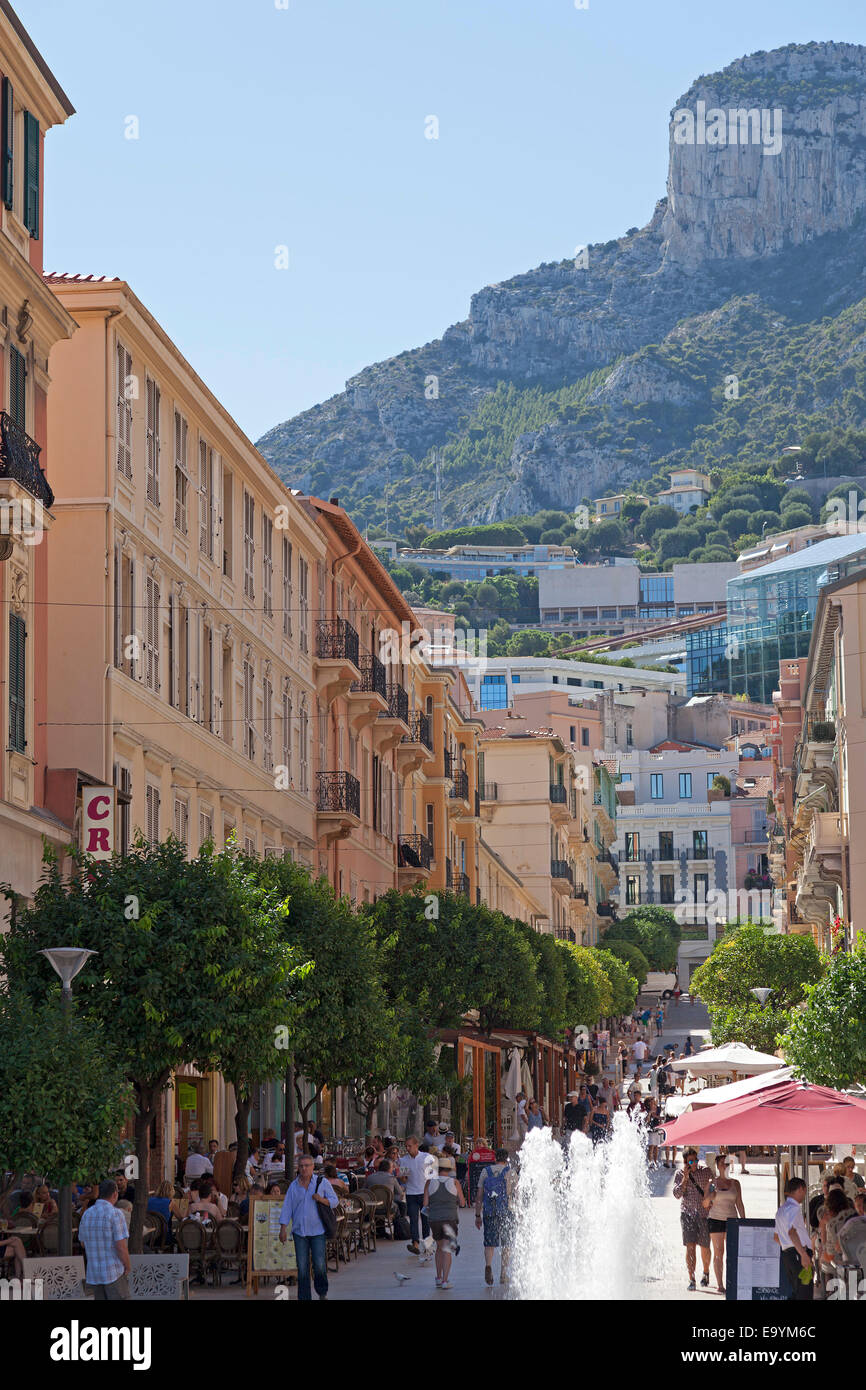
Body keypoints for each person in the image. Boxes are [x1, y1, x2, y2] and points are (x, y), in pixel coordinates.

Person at [278, 1153, 339, 1301]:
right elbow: (287, 1208)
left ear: (313, 1167)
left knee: (319, 1265)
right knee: (302, 1267)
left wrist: (321, 1199)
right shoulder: (293, 1186)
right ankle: (304, 1297)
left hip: (318, 1231)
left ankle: (322, 1292)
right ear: (298, 1168)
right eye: (301, 1166)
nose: (304, 1168)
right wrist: (283, 1228)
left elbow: (335, 1201)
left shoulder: (322, 1182)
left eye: (307, 1165)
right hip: (300, 1232)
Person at [78, 1178, 131, 1300]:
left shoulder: (87, 1213)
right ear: (115, 1194)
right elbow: (121, 1247)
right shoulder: (116, 1214)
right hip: (114, 1271)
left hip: (95, 1272)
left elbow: (82, 1243)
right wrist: (127, 1266)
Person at [424, 1153, 466, 1290]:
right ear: (450, 1169)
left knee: (439, 1248)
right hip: (450, 1219)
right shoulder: (455, 1182)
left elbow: (425, 1204)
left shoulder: (429, 1182)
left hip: (434, 1219)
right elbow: (463, 1202)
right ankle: (445, 1281)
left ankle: (438, 1277)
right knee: (447, 1249)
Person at [673, 1147, 712, 1291]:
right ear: (685, 1162)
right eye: (691, 1161)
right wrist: (685, 1179)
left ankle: (706, 1272)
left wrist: (710, 1197)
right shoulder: (679, 1174)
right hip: (687, 1214)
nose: (694, 1163)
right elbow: (677, 1194)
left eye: (696, 1159)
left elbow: (713, 1187)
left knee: (705, 1246)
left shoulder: (705, 1171)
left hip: (703, 1214)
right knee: (690, 1246)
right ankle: (692, 1277)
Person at [705, 1155, 745, 1294]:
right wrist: (711, 1196)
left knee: (732, 1253)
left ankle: (732, 1282)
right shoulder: (712, 1182)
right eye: (721, 1163)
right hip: (715, 1219)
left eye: (726, 1163)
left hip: (732, 1219)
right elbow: (705, 1204)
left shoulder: (735, 1183)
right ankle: (720, 1284)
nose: (724, 1165)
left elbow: (739, 1203)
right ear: (717, 1165)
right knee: (719, 1252)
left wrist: (744, 1221)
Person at [475, 1148, 512, 1287]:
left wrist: (478, 1215)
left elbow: (479, 1195)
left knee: (489, 1243)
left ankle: (489, 1265)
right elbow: (516, 1195)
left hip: (490, 1211)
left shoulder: (486, 1171)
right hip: (506, 1212)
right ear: (506, 1158)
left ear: (495, 1157)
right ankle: (503, 1274)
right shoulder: (510, 1172)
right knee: (506, 1243)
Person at [775, 1176, 813, 1300]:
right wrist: (802, 1254)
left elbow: (776, 1237)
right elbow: (792, 1232)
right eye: (805, 1191)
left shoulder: (781, 1210)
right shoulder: (794, 1208)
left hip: (788, 1254)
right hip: (798, 1253)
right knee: (804, 1292)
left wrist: (789, 1247)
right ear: (801, 1189)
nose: (804, 1195)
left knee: (797, 1290)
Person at [402, 1135, 435, 1254]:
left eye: (409, 1146)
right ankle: (415, 1243)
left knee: (426, 1220)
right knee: (413, 1218)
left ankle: (427, 1244)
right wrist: (402, 1176)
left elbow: (432, 1175)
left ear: (416, 1145)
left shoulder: (426, 1157)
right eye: (406, 1146)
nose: (407, 1148)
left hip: (425, 1193)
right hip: (411, 1193)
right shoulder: (403, 1160)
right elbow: (404, 1179)